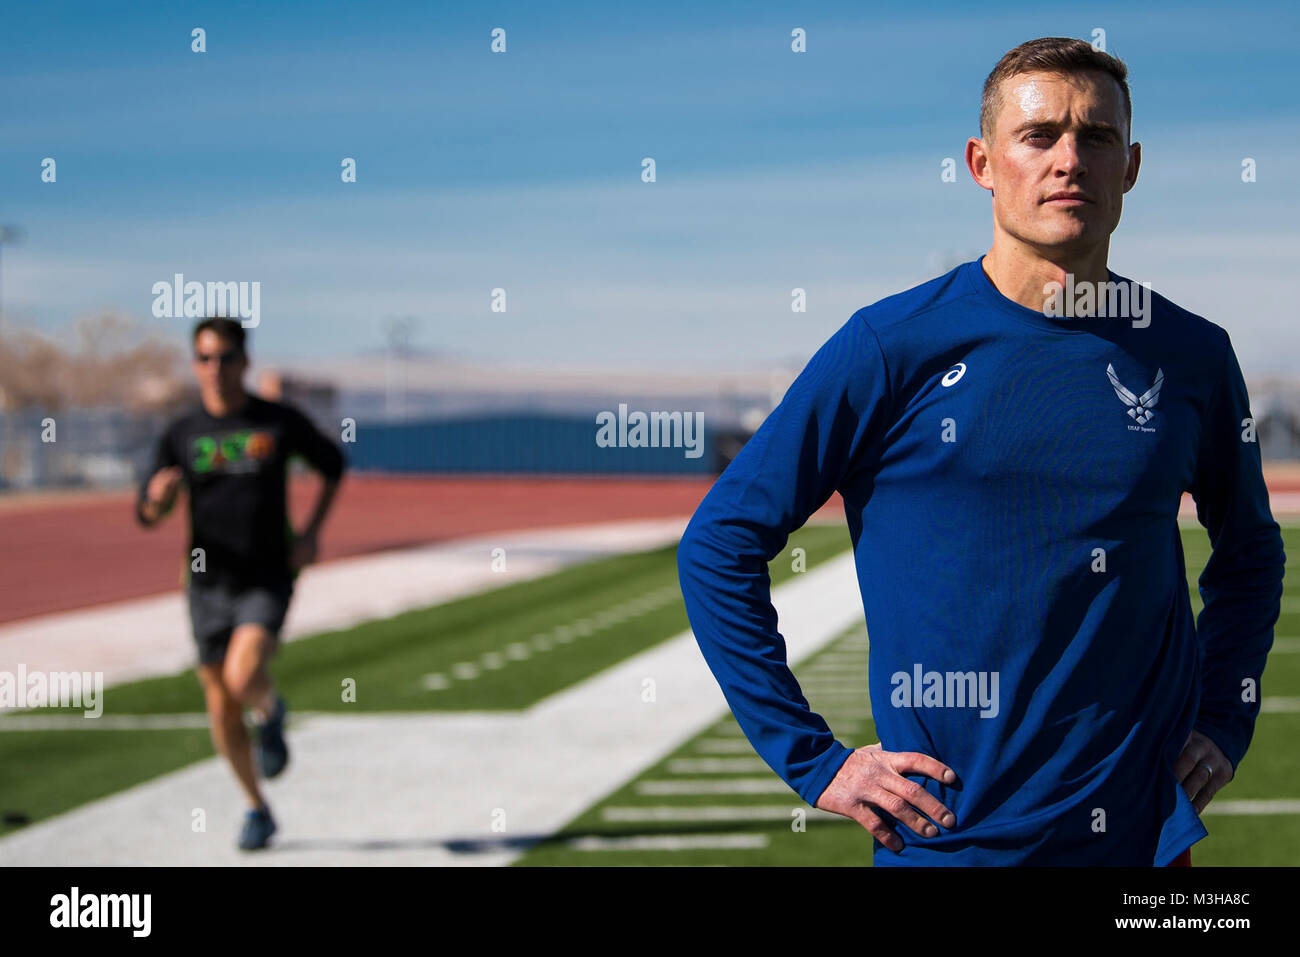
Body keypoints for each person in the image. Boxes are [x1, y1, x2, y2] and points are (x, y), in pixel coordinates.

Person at [676, 37, 1286, 866]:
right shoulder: (891, 346)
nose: (1069, 160)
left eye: (1096, 137)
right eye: (1039, 136)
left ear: (1131, 165)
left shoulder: (1192, 355)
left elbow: (1250, 552)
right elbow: (719, 542)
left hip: (1141, 841)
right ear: (982, 163)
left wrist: (1224, 718)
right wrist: (816, 761)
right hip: (949, 841)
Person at [136, 316, 346, 850]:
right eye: (205, 358)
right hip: (205, 580)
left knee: (243, 671)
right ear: (194, 364)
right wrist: (157, 503)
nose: (216, 369)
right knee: (220, 703)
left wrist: (312, 532)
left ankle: (272, 711)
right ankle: (256, 807)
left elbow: (334, 464)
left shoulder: (277, 422)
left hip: (267, 573)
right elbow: (148, 510)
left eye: (226, 358)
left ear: (245, 362)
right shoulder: (182, 433)